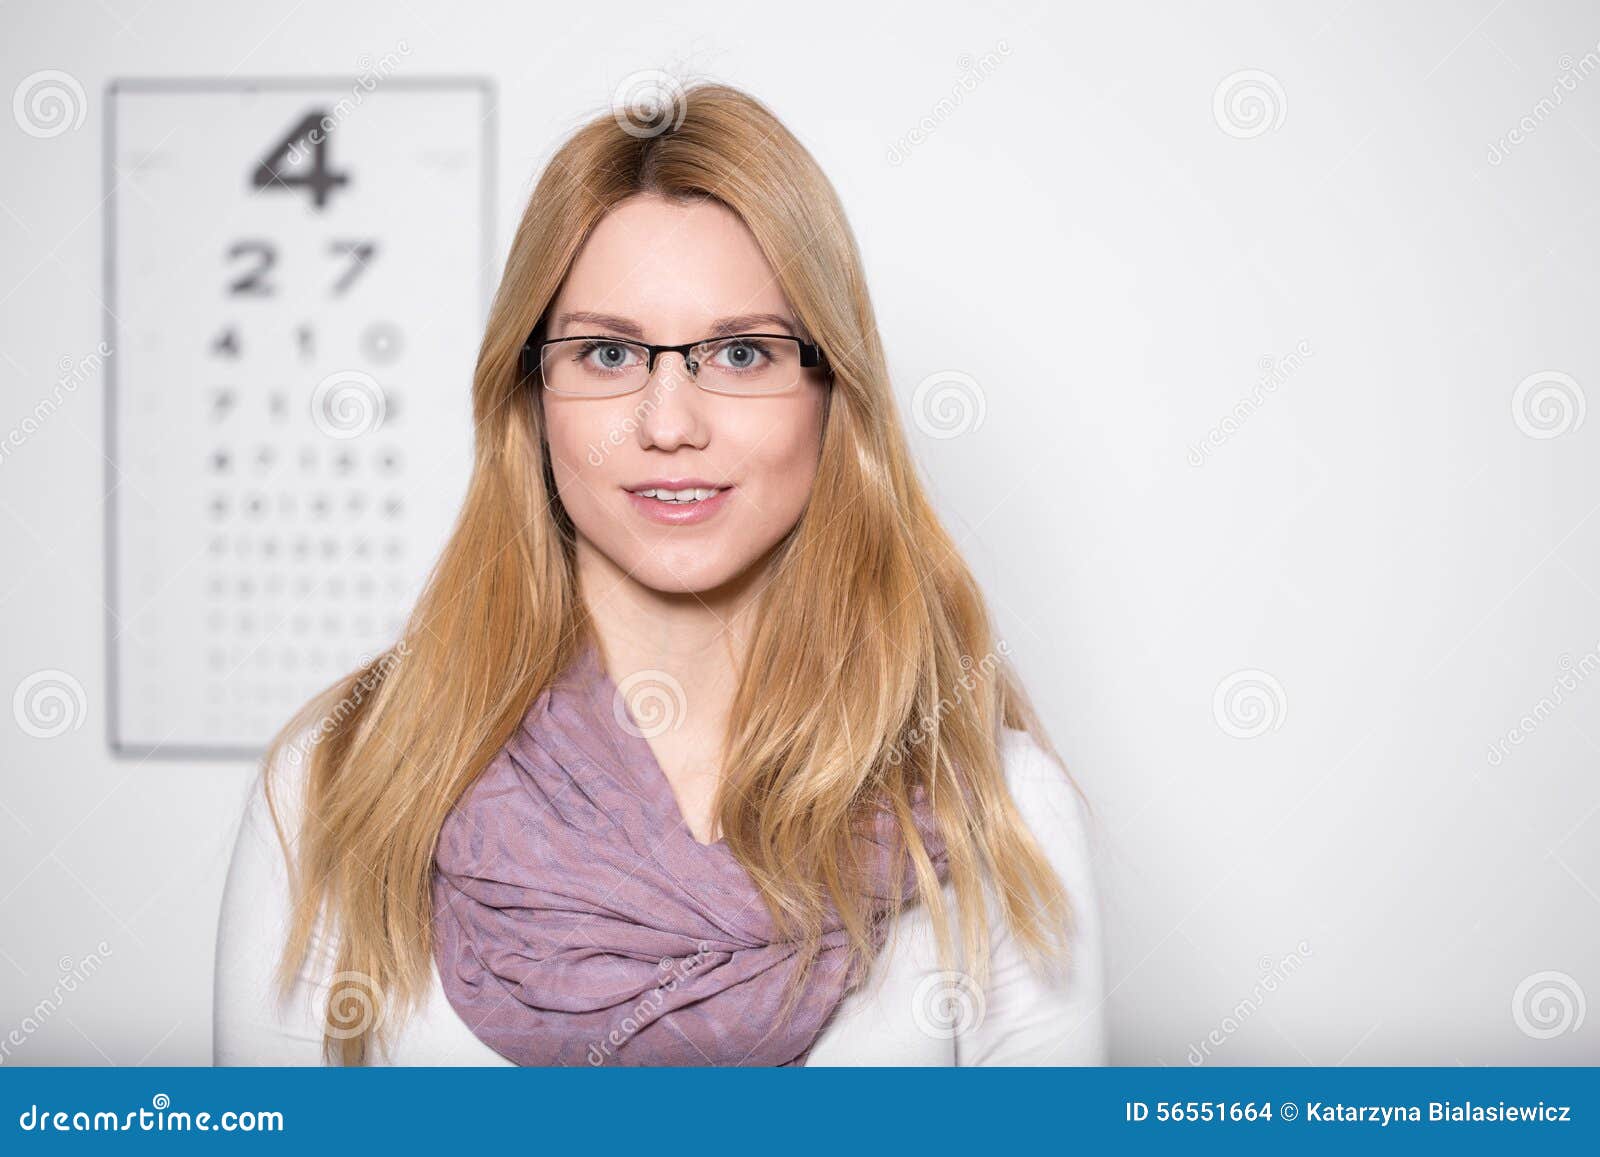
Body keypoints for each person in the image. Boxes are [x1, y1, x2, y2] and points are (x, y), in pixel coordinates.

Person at [213, 80, 1107, 1067]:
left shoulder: (993, 806)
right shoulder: (341, 784)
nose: (670, 423)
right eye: (606, 352)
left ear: (830, 392)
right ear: (530, 396)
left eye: (738, 350)